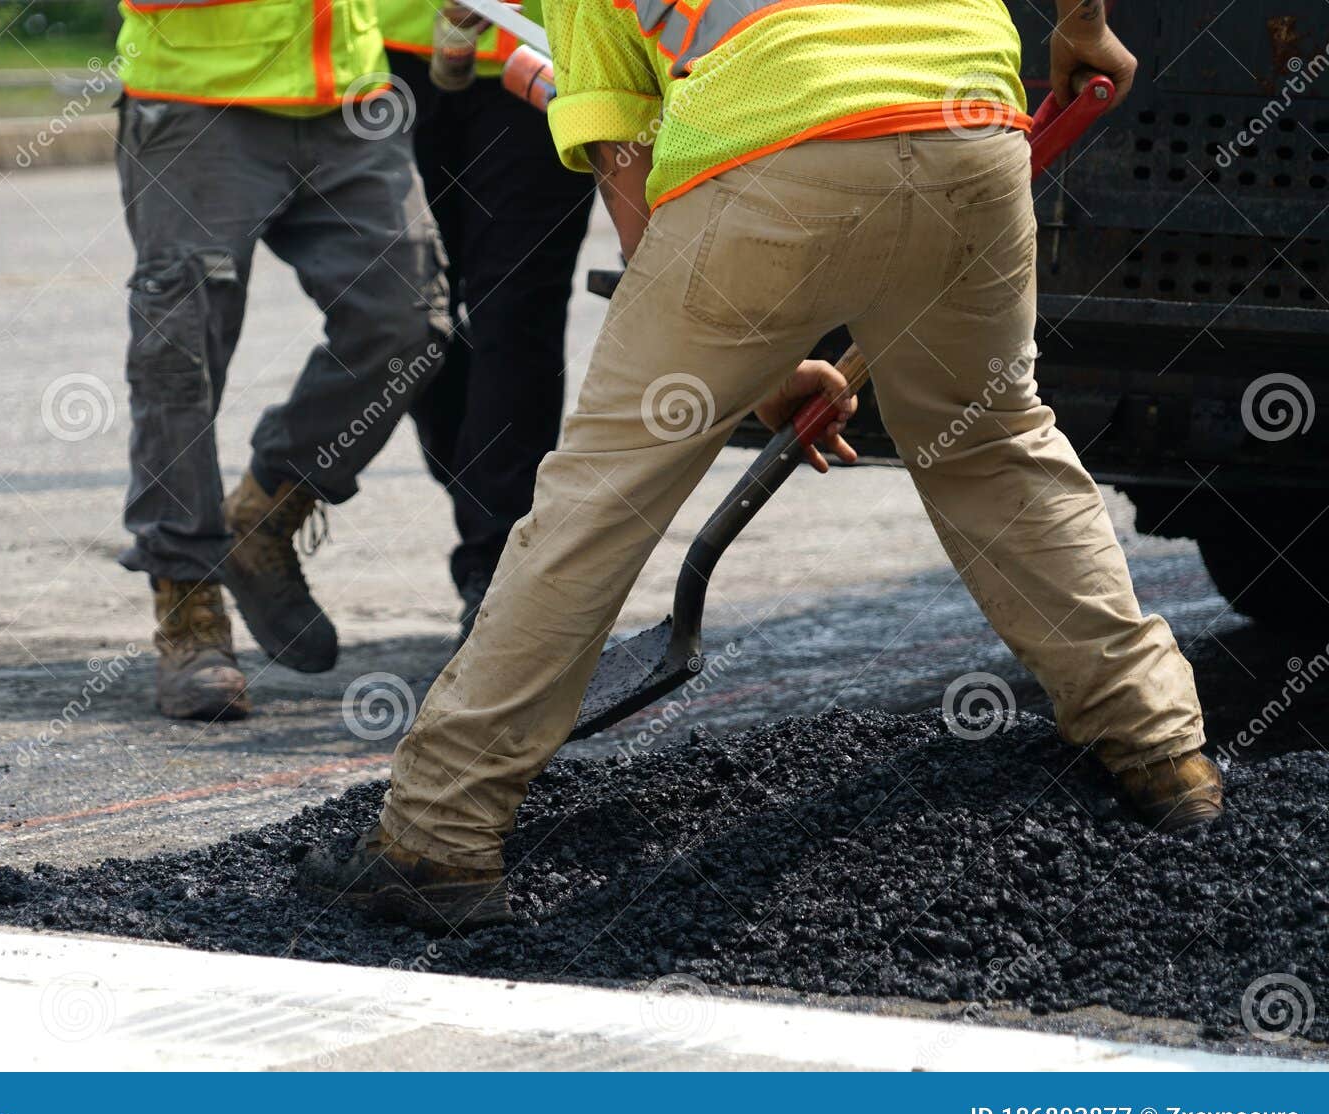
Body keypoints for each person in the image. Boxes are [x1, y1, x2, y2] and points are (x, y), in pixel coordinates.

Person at [301, 0, 1221, 931]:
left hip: (778, 162)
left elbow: (634, 193)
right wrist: (1082, 26)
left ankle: (436, 834)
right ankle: (1160, 749)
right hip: (973, 133)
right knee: (993, 444)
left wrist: (746, 365)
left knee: (603, 491)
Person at [111, 0, 451, 720]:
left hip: (351, 97)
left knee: (407, 321)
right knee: (179, 357)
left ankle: (265, 511)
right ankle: (188, 610)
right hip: (199, 97)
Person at [378, 1, 594, 639]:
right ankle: (490, 505)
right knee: (403, 312)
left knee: (517, 311)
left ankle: (499, 564)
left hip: (545, 50)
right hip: (387, 57)